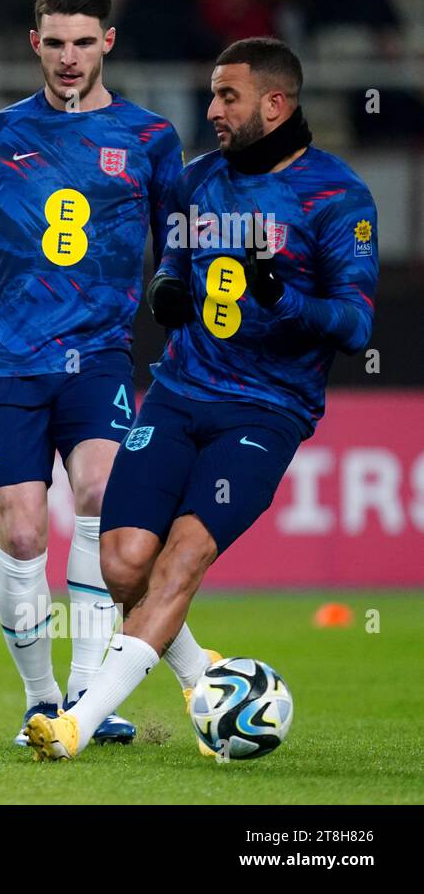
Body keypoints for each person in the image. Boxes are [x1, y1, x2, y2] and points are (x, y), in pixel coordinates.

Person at [27, 37, 378, 761]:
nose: (212, 108)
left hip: (265, 410)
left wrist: (286, 300)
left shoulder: (337, 196)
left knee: (183, 556)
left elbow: (356, 323)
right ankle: (199, 675)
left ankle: (74, 725)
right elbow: (175, 267)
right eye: (213, 93)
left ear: (275, 105)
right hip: (179, 394)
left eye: (228, 96)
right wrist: (166, 290)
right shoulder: (194, 183)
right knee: (124, 563)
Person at [0, 0, 196, 748]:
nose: (69, 57)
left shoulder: (150, 138)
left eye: (83, 42)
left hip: (100, 355)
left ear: (107, 41)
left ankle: (84, 695)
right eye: (56, 43)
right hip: (9, 361)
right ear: (34, 43)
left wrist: (182, 317)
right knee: (20, 534)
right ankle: (38, 698)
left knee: (101, 494)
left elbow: (178, 244)